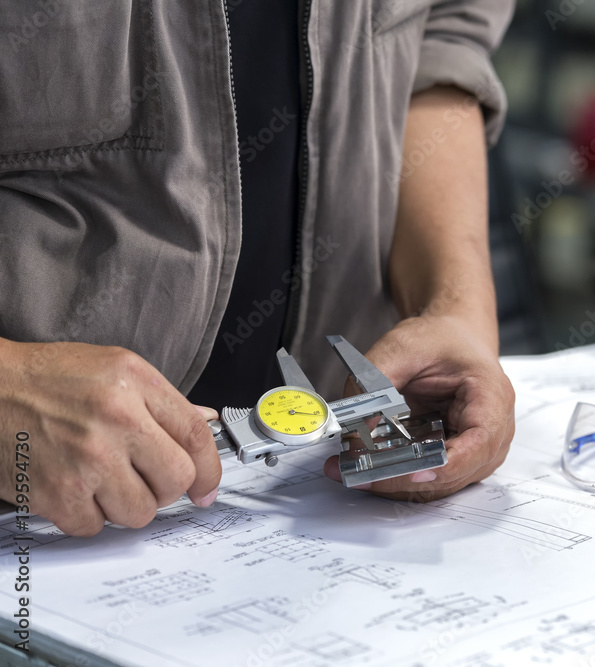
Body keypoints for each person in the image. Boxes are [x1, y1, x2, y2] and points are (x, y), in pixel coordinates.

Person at [0, 1, 516, 537]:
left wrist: (456, 310)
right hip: (33, 526)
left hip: (319, 505)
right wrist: (11, 389)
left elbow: (442, 38)